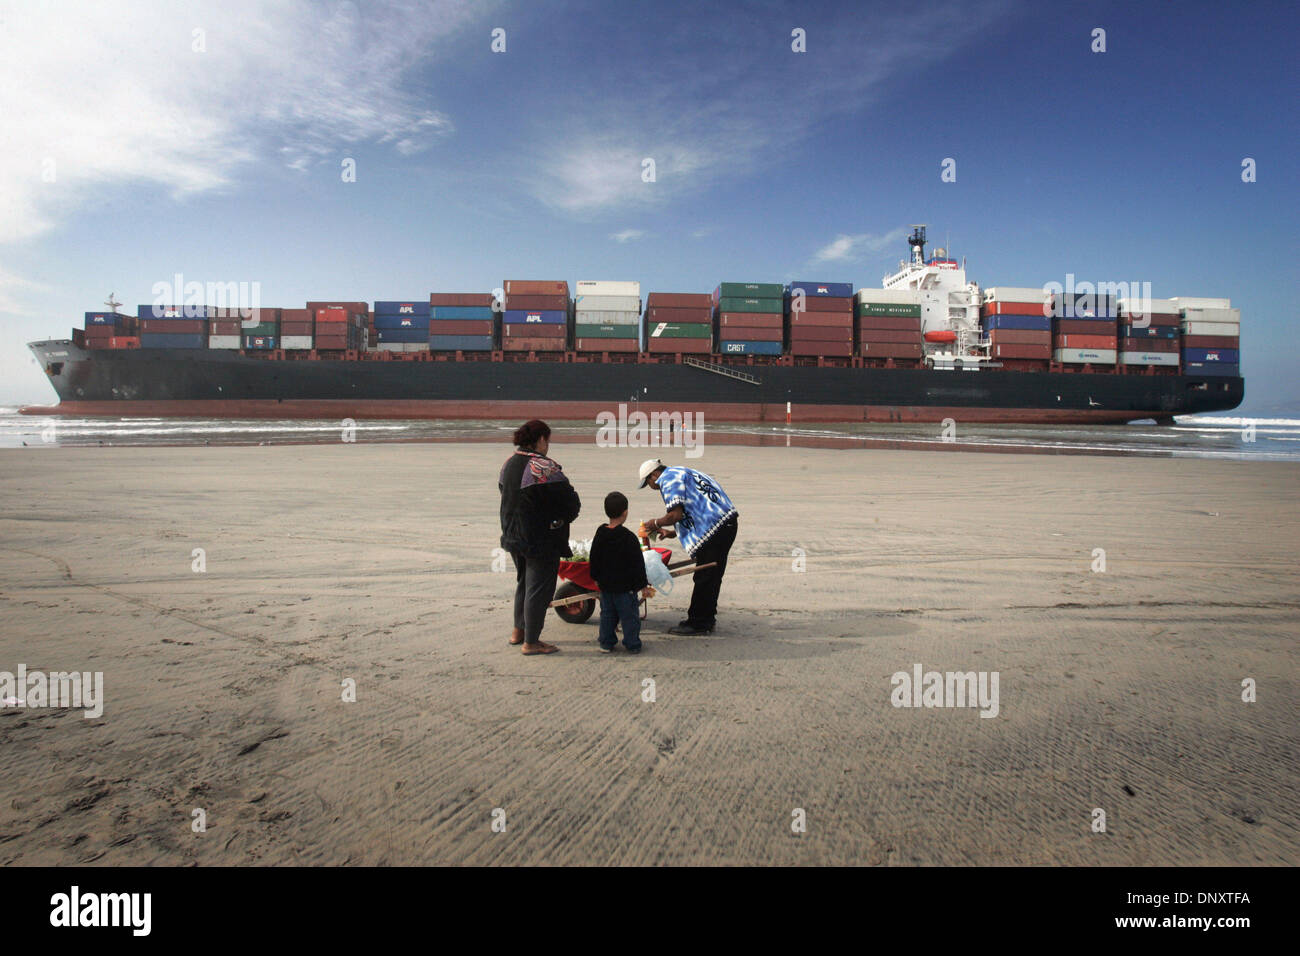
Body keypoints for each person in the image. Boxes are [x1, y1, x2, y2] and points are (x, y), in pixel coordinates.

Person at [499, 420, 581, 655]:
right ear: (541, 439)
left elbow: (505, 493)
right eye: (548, 440)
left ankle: (519, 632)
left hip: (512, 535)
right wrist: (561, 520)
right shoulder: (544, 467)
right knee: (539, 589)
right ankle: (531, 642)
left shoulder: (509, 463)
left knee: (524, 583)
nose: (548, 445)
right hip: (540, 539)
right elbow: (569, 500)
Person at [638, 458, 738, 634]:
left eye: (649, 483)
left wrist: (653, 523)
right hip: (725, 523)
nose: (652, 487)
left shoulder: (667, 479)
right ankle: (706, 618)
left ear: (654, 475)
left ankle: (699, 623)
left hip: (717, 528)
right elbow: (694, 508)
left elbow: (675, 515)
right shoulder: (681, 472)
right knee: (711, 575)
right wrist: (673, 533)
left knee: (705, 576)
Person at [589, 491, 653, 654]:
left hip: (606, 586)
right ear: (625, 512)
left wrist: (595, 577)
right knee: (630, 617)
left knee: (607, 616)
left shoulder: (601, 533)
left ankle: (606, 642)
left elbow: (594, 556)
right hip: (625, 589)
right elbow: (637, 564)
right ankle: (632, 644)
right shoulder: (628, 537)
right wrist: (643, 585)